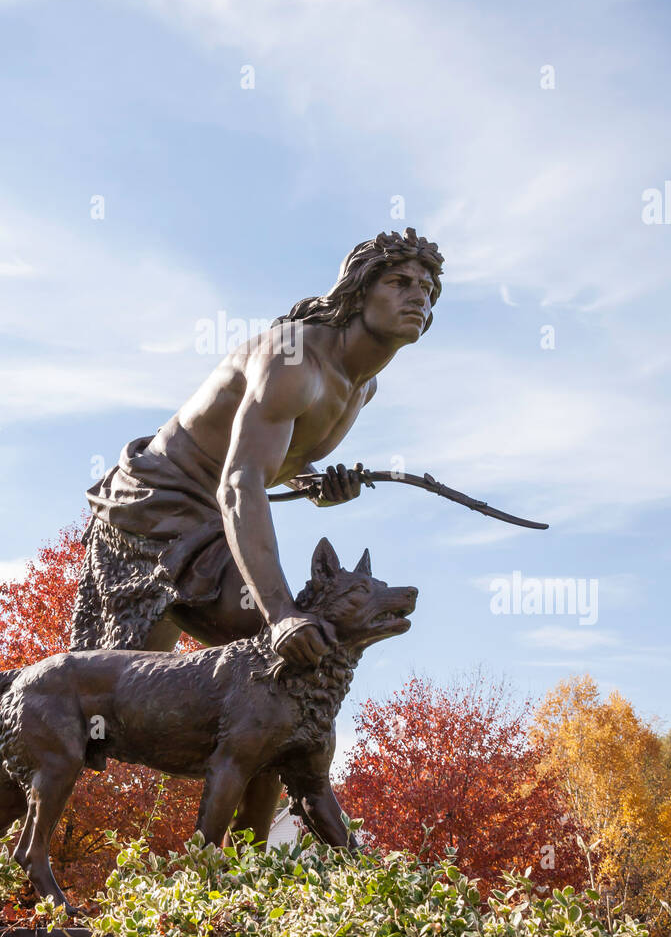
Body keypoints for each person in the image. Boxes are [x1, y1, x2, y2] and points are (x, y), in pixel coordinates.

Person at [70, 228, 443, 673]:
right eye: (399, 283)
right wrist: (280, 613)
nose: (417, 297)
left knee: (297, 640)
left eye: (427, 289)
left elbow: (268, 454)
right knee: (264, 632)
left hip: (214, 516)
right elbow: (240, 482)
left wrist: (314, 484)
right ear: (360, 292)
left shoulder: (364, 387)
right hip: (157, 505)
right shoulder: (293, 360)